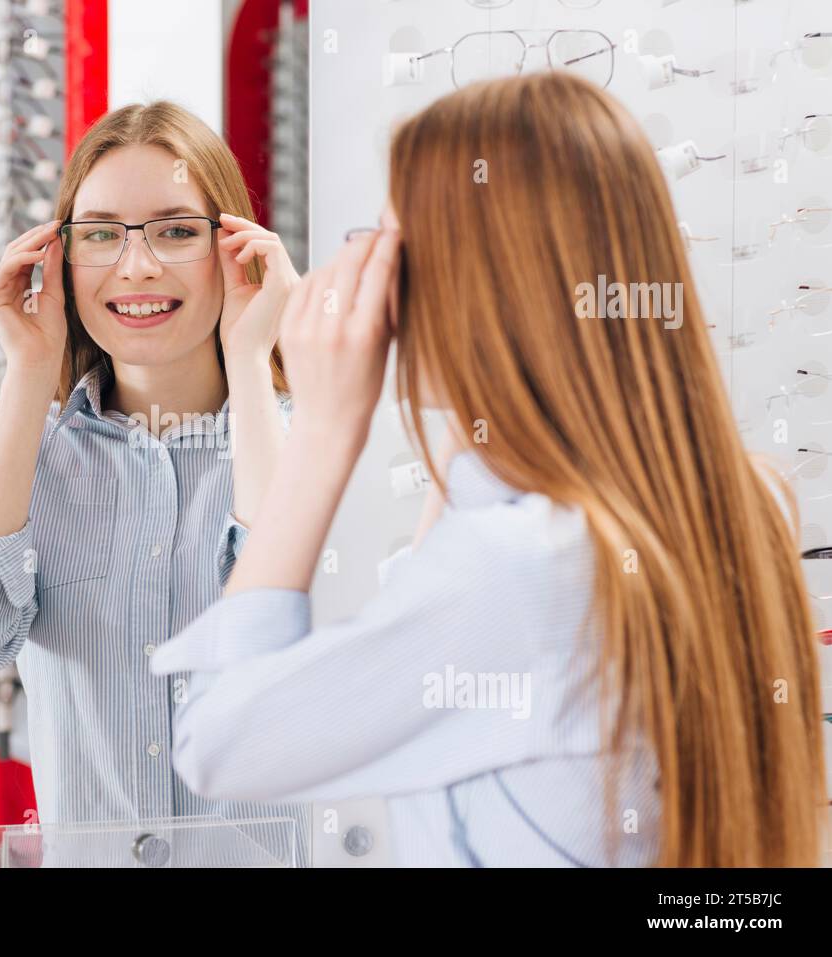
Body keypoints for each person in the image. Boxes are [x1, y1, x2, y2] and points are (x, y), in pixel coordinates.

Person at [150, 72, 828, 867]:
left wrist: (327, 430)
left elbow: (219, 744)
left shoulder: (522, 569)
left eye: (392, 249)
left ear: (482, 286)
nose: (372, 280)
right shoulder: (740, 502)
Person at [0, 100, 311, 864]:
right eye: (99, 234)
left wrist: (252, 356)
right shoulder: (24, 452)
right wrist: (27, 370)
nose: (136, 267)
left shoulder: (306, 441)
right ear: (61, 259)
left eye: (174, 231)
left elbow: (279, 628)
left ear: (234, 246)